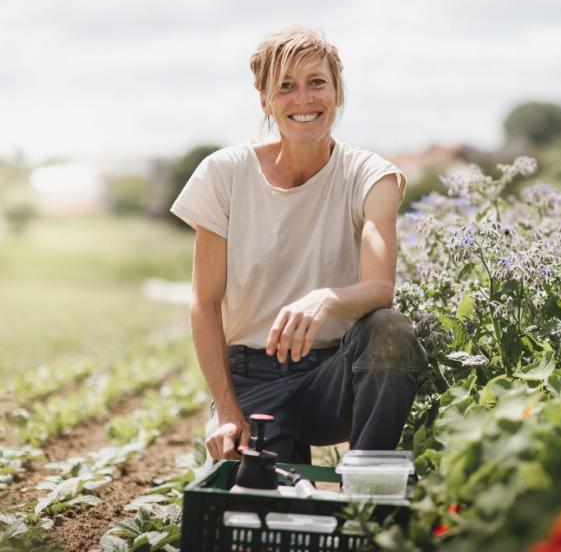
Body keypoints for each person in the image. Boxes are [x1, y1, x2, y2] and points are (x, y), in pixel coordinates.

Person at [171, 26, 427, 465]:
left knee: (390, 330)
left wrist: (324, 300)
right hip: (253, 379)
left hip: (334, 376)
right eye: (285, 86)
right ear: (265, 100)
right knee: (256, 500)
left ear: (337, 91)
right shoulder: (224, 175)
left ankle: (365, 484)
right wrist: (228, 413)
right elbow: (205, 303)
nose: (303, 98)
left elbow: (381, 290)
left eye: (317, 82)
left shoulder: (370, 176)